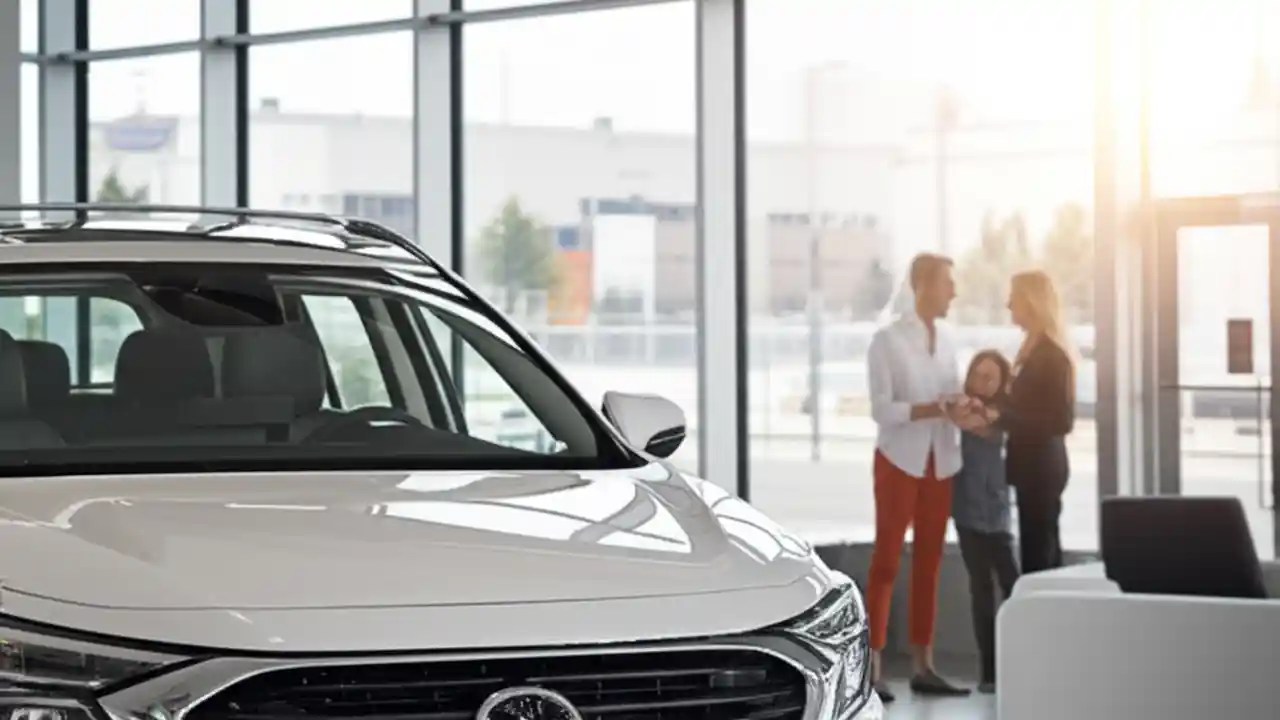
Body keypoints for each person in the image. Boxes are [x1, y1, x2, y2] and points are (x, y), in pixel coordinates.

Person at [865, 253, 975, 702]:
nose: (954, 292)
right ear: (922, 285)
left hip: (940, 461)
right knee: (887, 563)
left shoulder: (949, 339)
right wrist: (936, 409)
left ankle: (923, 666)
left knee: (930, 564)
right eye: (948, 282)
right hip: (899, 461)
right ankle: (872, 666)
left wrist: (966, 409)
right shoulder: (886, 341)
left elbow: (949, 397)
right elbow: (881, 410)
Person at [951, 350, 1019, 695]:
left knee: (1013, 584)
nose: (983, 382)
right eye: (979, 375)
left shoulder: (1007, 414)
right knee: (982, 590)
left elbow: (992, 427)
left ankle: (1018, 662)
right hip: (967, 513)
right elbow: (966, 421)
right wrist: (975, 413)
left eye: (991, 377)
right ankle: (989, 672)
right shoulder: (961, 407)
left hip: (999, 515)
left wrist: (986, 415)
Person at [1004, 270, 1076, 573]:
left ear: (1030, 302)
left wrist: (1005, 418)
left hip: (1042, 468)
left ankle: (1044, 615)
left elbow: (1061, 420)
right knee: (1036, 547)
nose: (1008, 305)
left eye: (1014, 298)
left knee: (1040, 553)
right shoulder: (1029, 349)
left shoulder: (1052, 355)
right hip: (1029, 466)